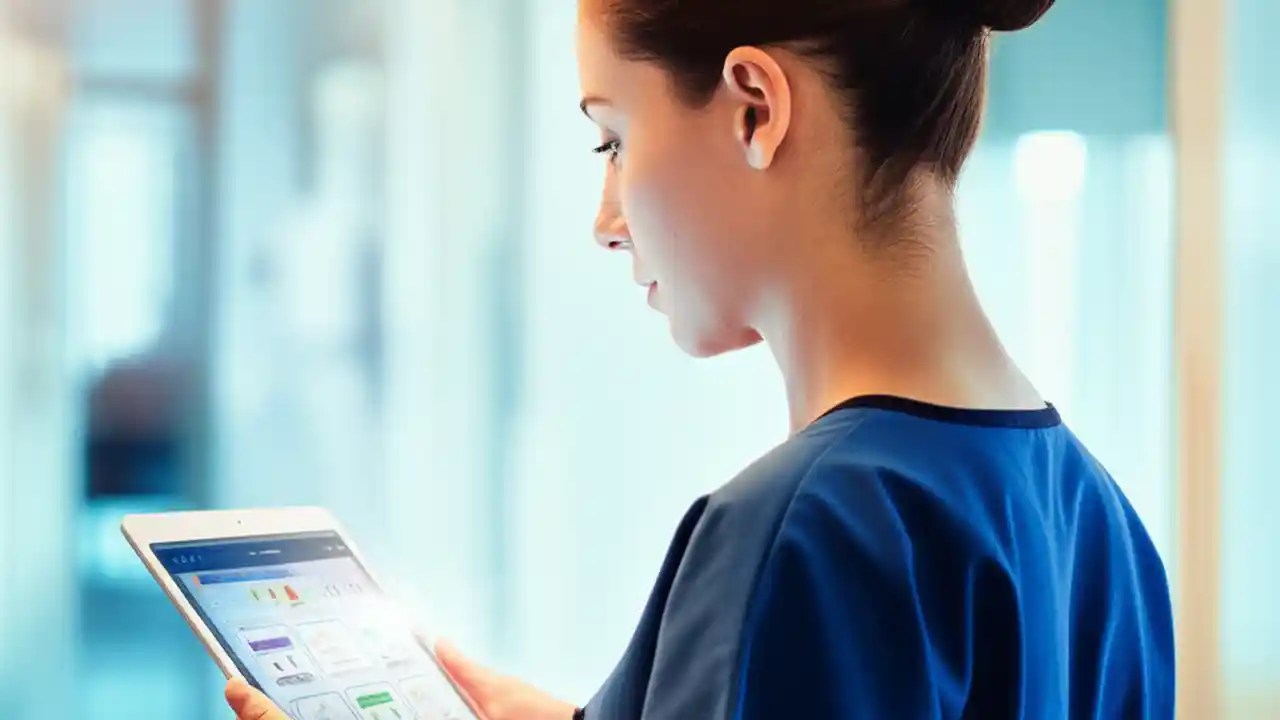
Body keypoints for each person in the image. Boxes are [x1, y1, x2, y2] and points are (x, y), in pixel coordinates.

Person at [227, 0, 1175, 717]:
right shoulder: (1105, 530)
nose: (605, 222)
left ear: (755, 109)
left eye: (613, 138)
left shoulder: (809, 526)